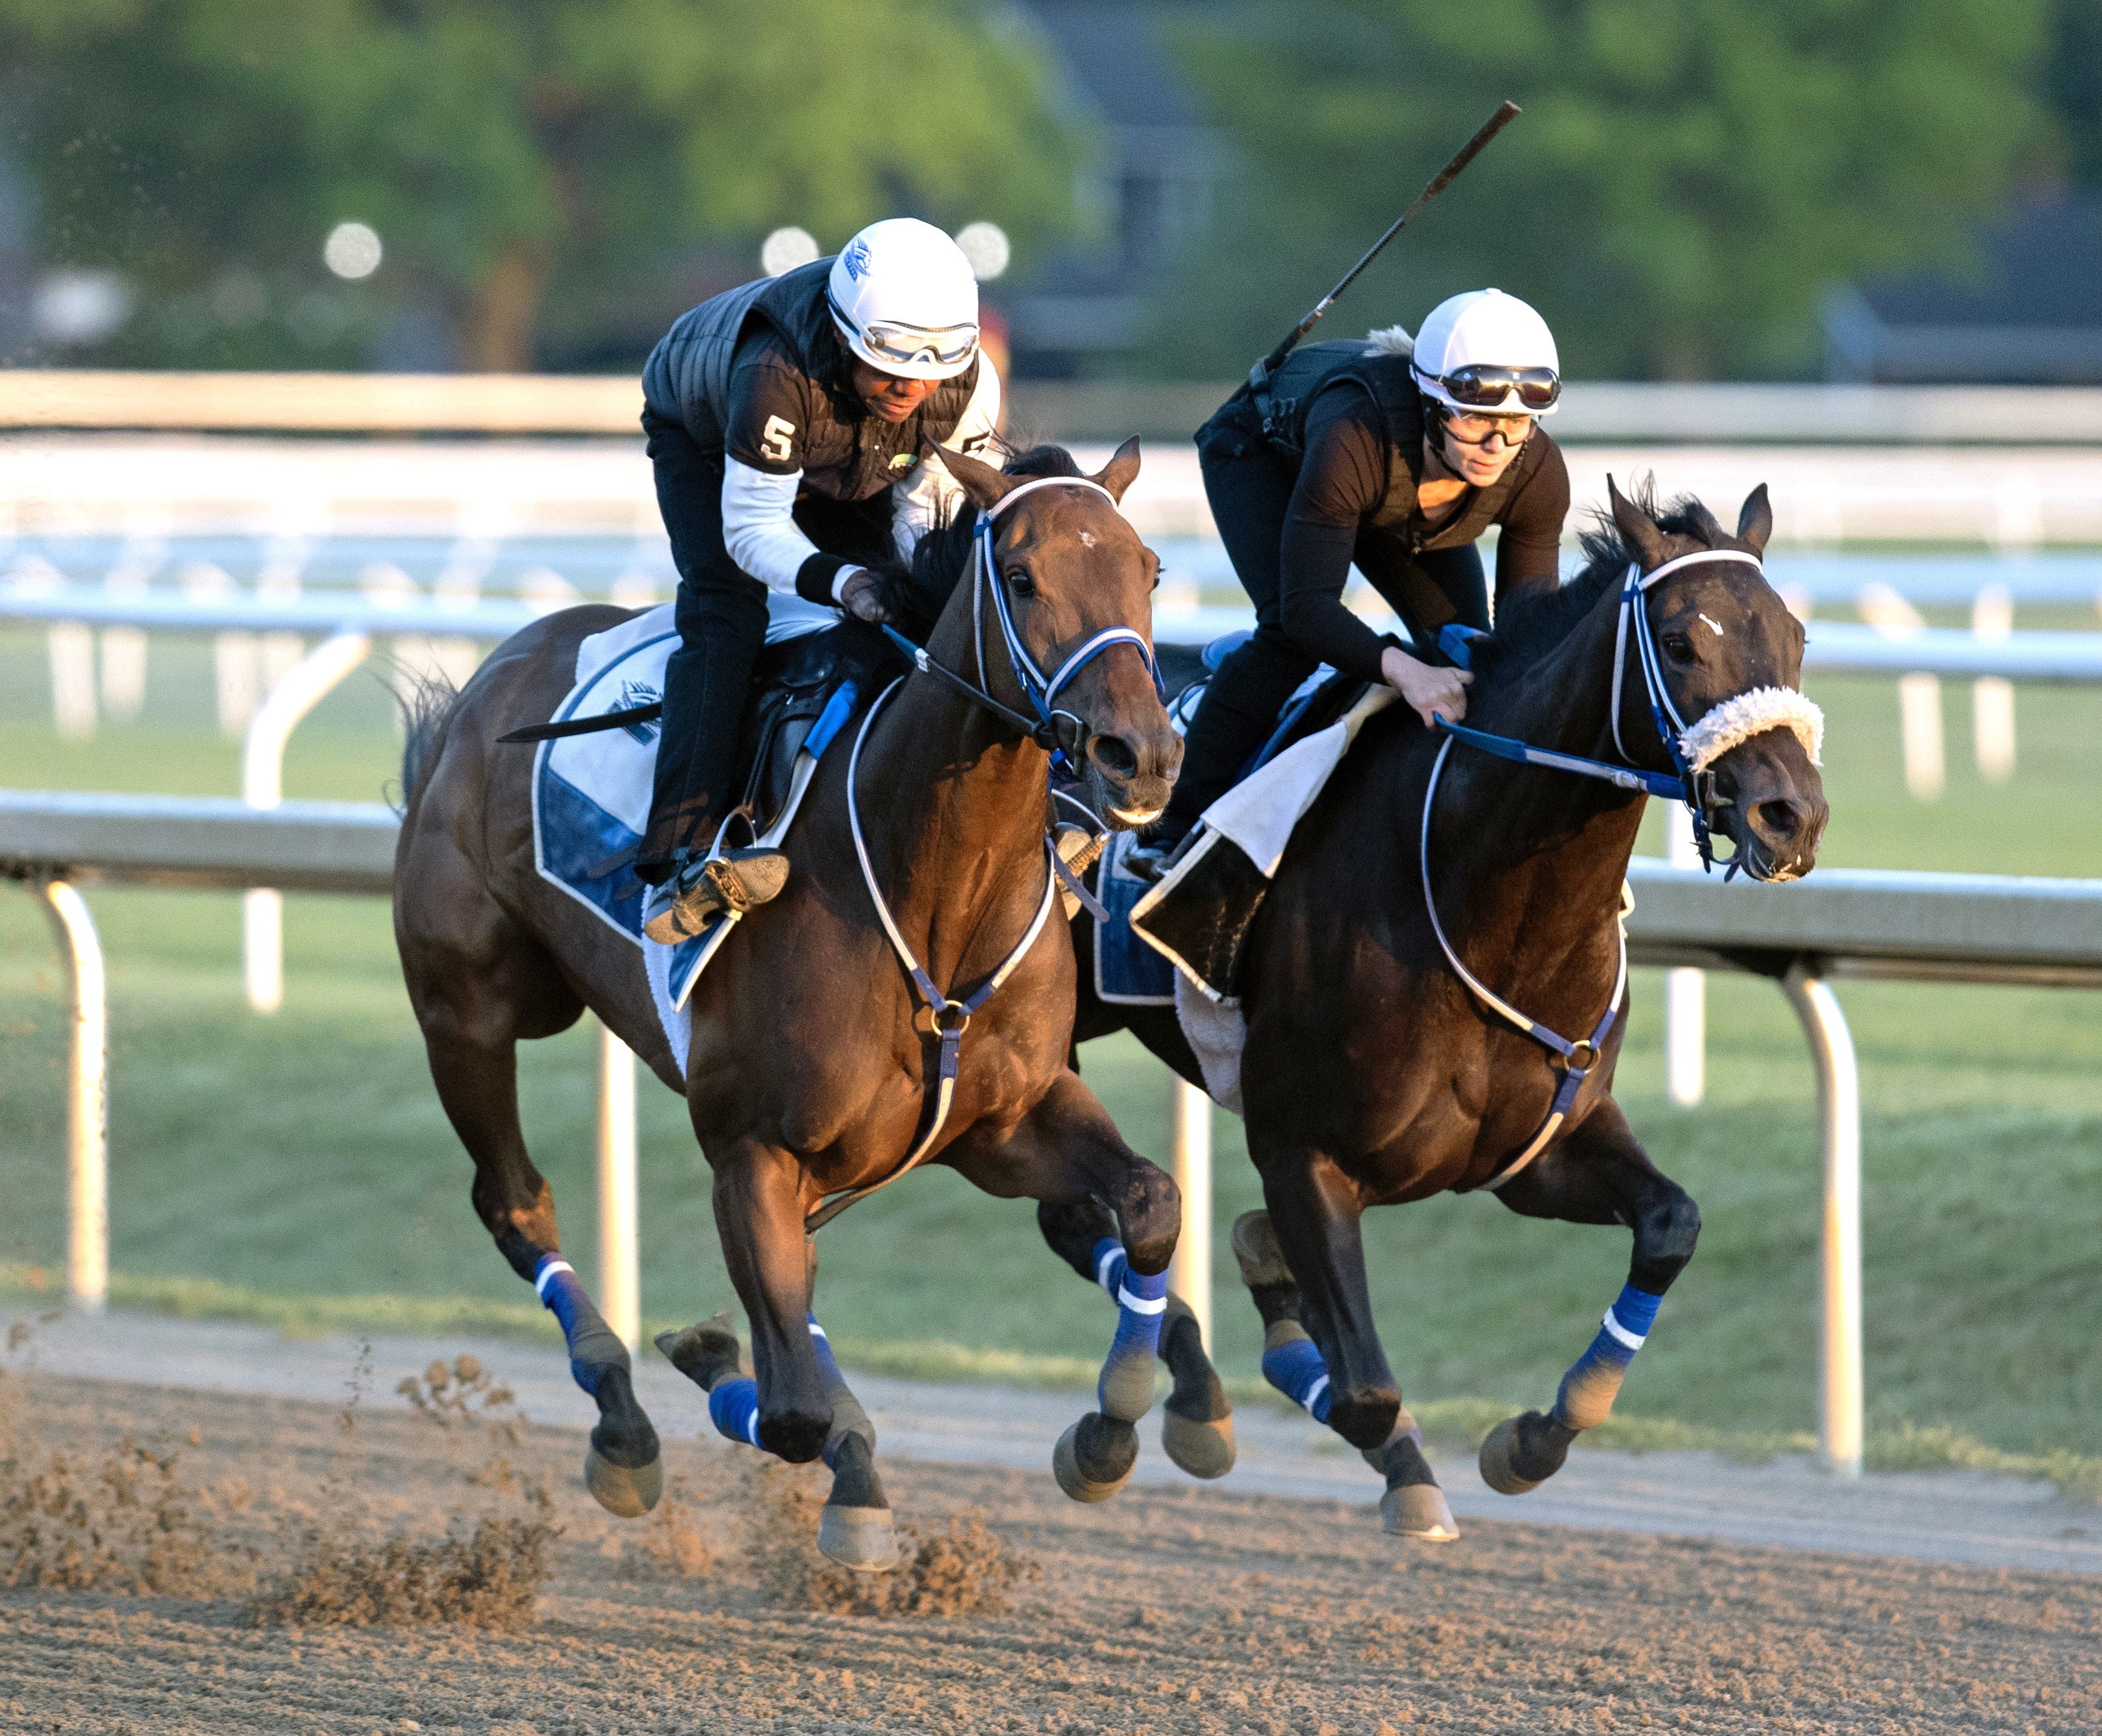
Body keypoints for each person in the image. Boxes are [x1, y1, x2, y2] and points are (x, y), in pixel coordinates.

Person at [634, 218, 1001, 942]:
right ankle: (683, 857)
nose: (912, 388)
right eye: (890, 366)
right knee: (727, 619)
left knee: (907, 614)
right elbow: (750, 532)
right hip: (708, 434)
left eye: (930, 372)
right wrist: (841, 582)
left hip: (847, 451)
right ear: (841, 335)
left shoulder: (968, 384)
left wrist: (891, 589)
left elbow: (923, 521)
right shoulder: (775, 372)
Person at [1131, 287, 1571, 874]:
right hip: (1265, 452)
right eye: (1474, 418)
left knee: (1467, 644)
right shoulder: (1353, 438)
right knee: (1287, 640)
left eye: (1517, 421)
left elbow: (1526, 641)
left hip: (1374, 492)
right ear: (1431, 404)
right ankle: (1172, 826)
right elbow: (1308, 611)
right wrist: (1406, 670)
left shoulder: (1537, 471)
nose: (1497, 445)